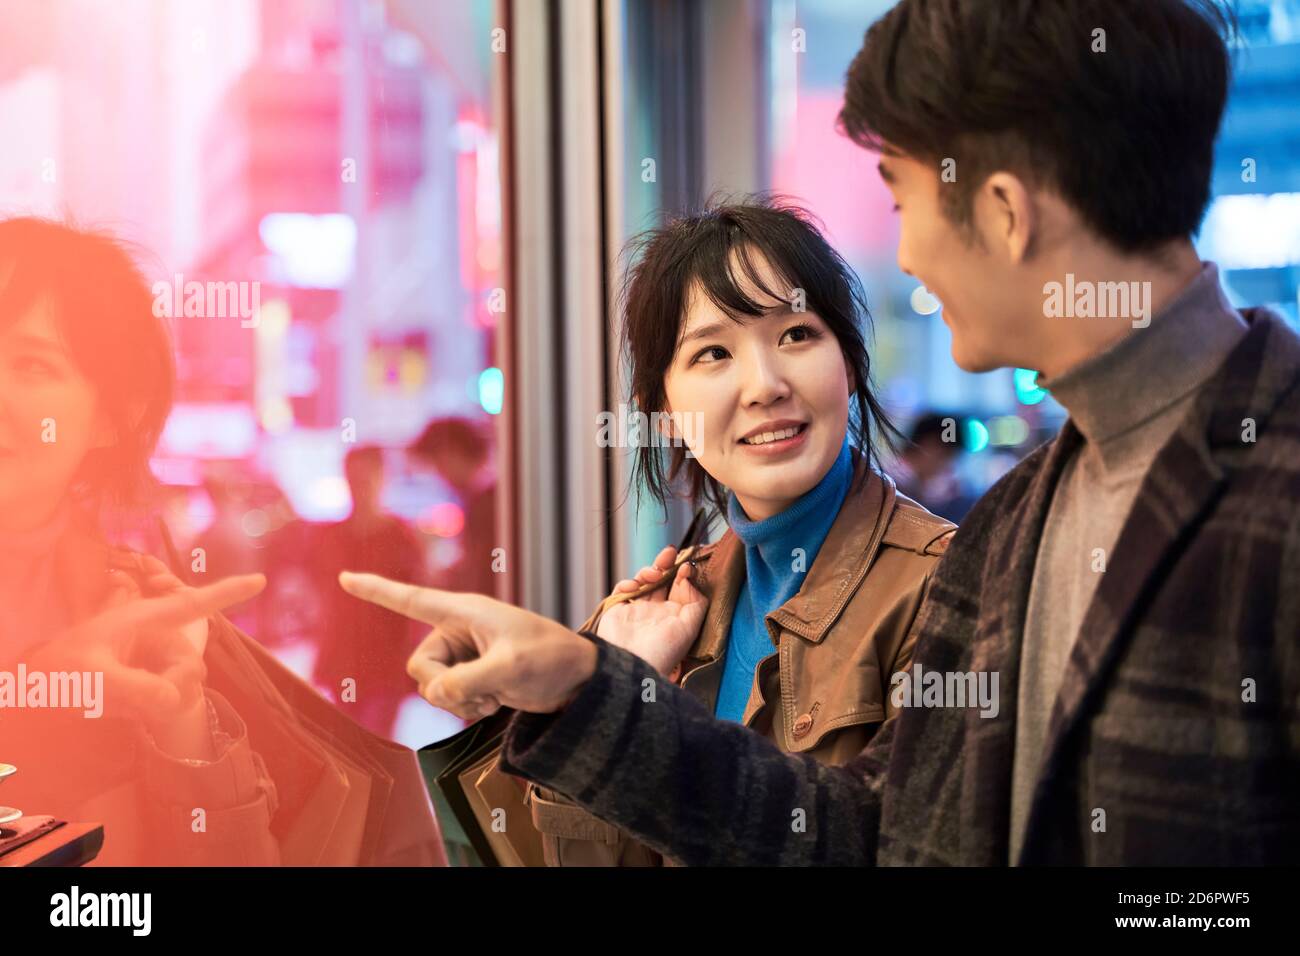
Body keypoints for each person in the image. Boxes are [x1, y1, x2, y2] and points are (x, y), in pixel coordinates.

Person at [342, 0, 1300, 865]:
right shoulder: (1027, 516)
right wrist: (592, 686)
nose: (911, 252)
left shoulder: (1263, 496)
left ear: (1004, 213)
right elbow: (876, 835)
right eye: (709, 355)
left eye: (901, 198)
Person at [497, 199, 954, 865]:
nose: (764, 385)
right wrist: (609, 696)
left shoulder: (947, 585)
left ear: (849, 363)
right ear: (664, 413)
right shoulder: (653, 612)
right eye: (713, 352)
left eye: (796, 335)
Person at [0, 217, 443, 865]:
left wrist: (181, 724)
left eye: (32, 363)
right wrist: (39, 698)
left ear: (111, 417)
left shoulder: (135, 605)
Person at [311, 445, 426, 738]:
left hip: (385, 665)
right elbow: (324, 601)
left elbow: (416, 604)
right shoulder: (332, 537)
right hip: (344, 660)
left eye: (366, 479)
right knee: (349, 745)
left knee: (375, 746)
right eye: (354, 479)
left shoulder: (400, 537)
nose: (359, 488)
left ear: (381, 479)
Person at [407, 417, 498, 597]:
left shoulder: (486, 506)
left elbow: (480, 581)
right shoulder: (487, 500)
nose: (439, 475)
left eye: (437, 463)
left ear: (452, 454)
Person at [892, 412, 976, 522]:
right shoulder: (890, 485)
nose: (946, 463)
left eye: (951, 455)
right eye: (943, 453)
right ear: (925, 444)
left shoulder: (950, 494)